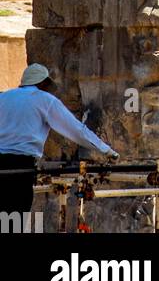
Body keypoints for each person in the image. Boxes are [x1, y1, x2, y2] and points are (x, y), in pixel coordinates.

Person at [0, 63, 117, 216]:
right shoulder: (45, 100)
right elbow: (76, 130)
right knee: (15, 218)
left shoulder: (4, 97)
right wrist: (106, 150)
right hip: (21, 166)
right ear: (42, 82)